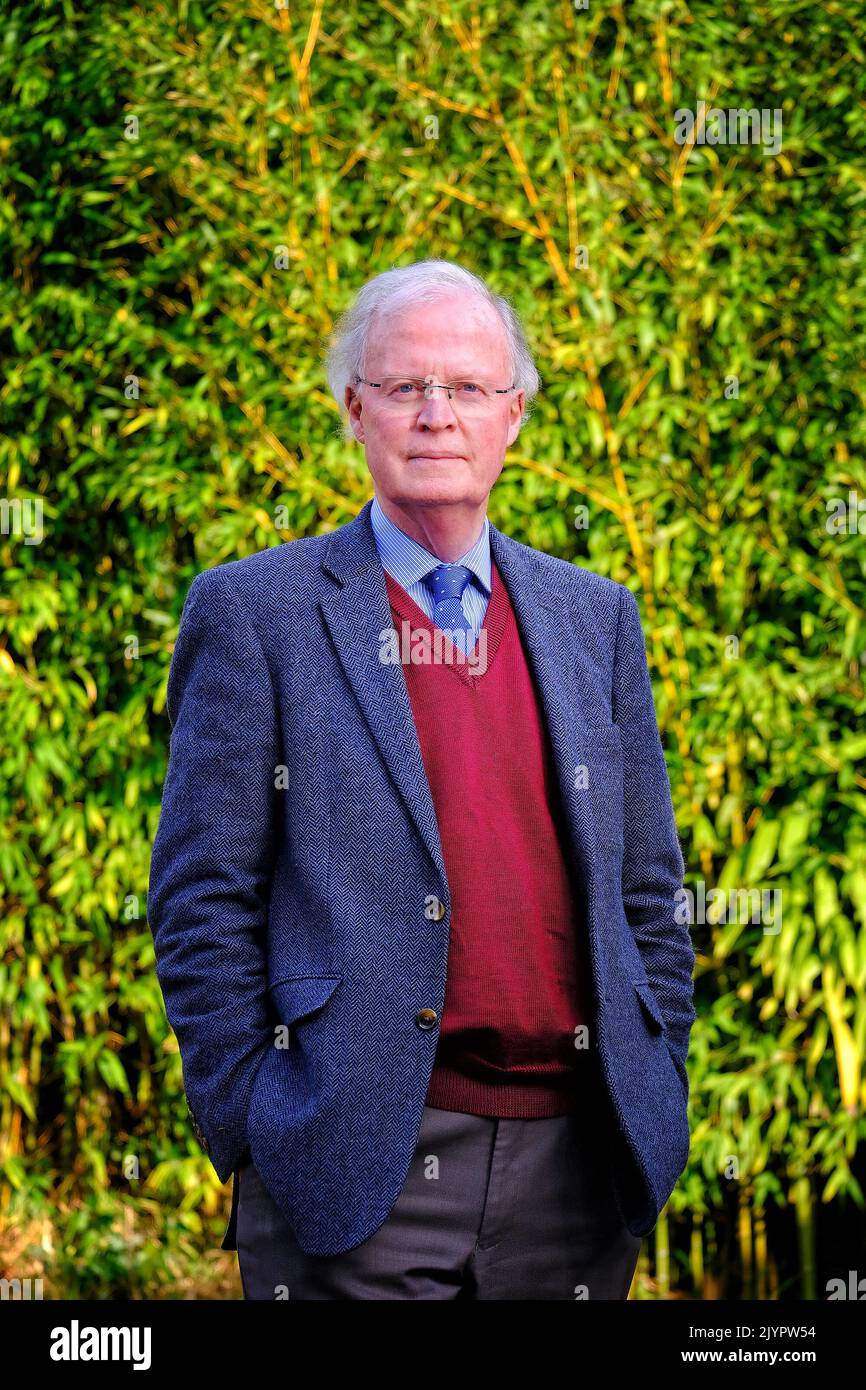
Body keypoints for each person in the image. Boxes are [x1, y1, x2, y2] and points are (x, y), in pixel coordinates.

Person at [147, 258, 696, 1300]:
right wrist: (255, 1119)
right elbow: (200, 893)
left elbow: (645, 892)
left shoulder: (595, 618)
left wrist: (655, 1073)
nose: (436, 414)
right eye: (403, 387)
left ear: (515, 415)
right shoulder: (254, 613)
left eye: (467, 388)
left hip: (578, 1166)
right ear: (354, 409)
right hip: (354, 1159)